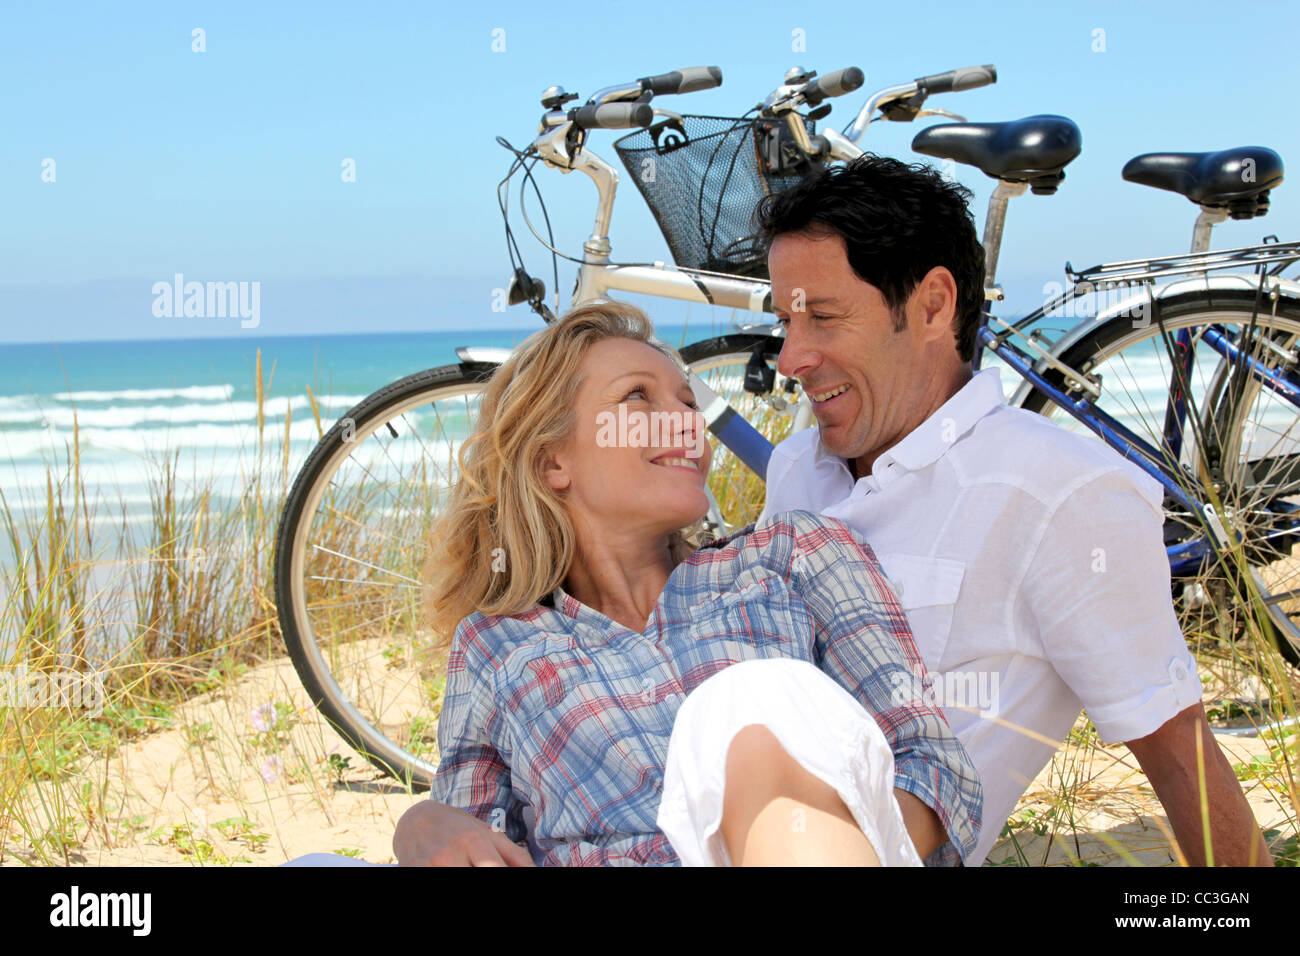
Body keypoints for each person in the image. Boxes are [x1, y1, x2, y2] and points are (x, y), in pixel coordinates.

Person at [753, 154, 1273, 866]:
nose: (790, 357)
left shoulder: (1059, 495)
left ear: (933, 306)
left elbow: (1176, 748)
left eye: (825, 319)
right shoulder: (795, 469)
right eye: (786, 320)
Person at [393, 301, 982, 866]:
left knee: (750, 707)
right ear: (553, 463)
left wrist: (807, 835)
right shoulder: (497, 646)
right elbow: (473, 843)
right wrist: (419, 824)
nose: (685, 419)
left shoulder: (792, 557)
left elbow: (935, 770)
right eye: (636, 397)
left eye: (685, 400)